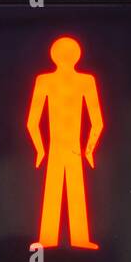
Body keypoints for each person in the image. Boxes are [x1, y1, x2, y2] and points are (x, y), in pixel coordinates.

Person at [27, 36, 103, 249]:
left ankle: (52, 239)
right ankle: (72, 239)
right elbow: (97, 123)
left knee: (56, 193)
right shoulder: (81, 81)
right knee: (71, 193)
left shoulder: (50, 81)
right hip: (70, 148)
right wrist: (89, 149)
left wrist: (40, 148)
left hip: (60, 148)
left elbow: (32, 122)